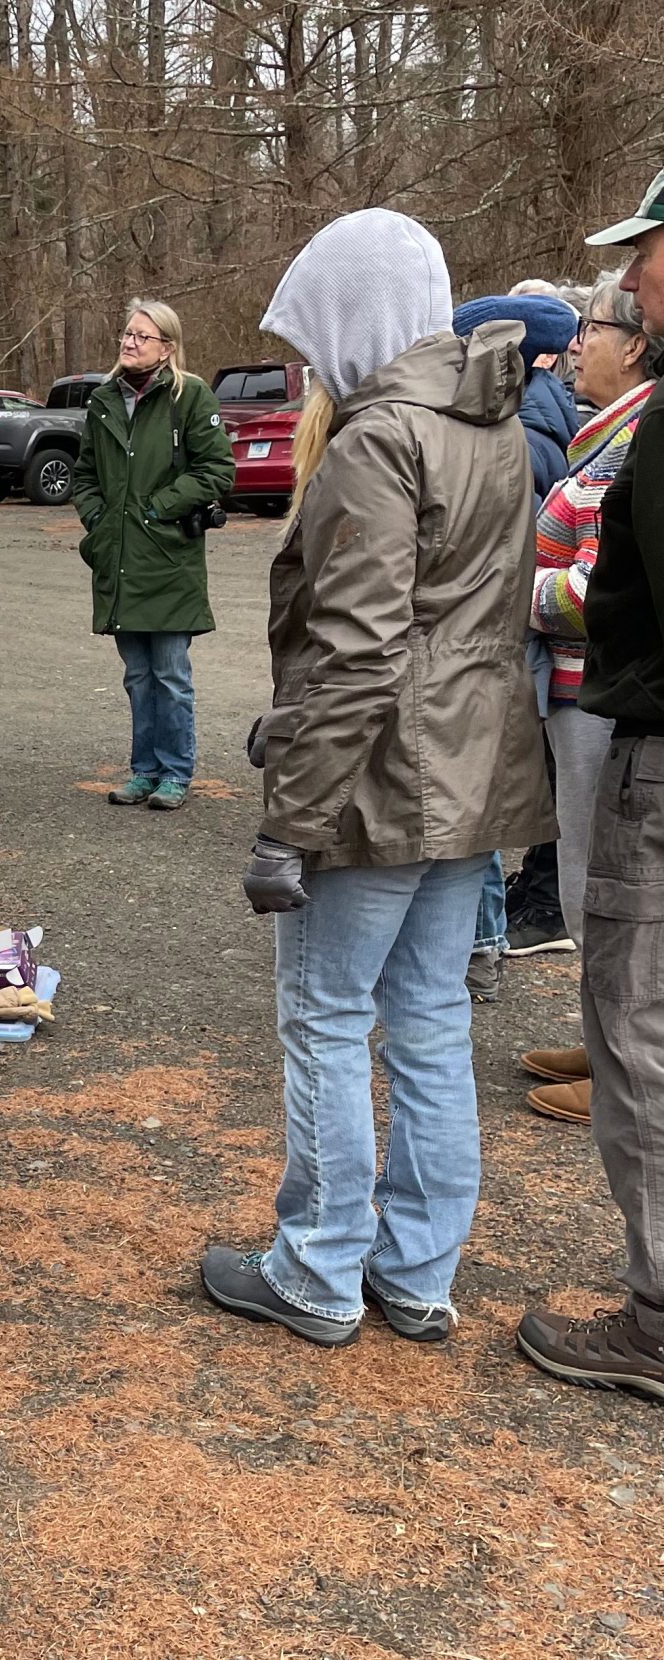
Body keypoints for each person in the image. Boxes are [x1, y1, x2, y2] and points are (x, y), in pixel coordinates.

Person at [207, 208, 555, 1349]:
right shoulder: (486, 424)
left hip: (376, 788)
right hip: (466, 777)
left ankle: (314, 1269)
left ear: (351, 315)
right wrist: (289, 729)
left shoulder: (374, 440)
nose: (303, 362)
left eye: (309, 332)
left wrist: (288, 823)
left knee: (323, 1017)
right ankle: (413, 1271)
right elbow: (447, 625)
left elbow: (359, 650)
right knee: (426, 1024)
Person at [518, 168, 664, 1400]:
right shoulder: (611, 426)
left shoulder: (648, 425)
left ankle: (656, 1315)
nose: (624, 285)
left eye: (641, 260)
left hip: (630, 725)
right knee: (614, 978)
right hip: (612, 711)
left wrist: (539, 595)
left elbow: (604, 576)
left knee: (641, 1021)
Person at [518, 273, 661, 1126]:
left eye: (593, 330)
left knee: (606, 887)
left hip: (599, 696)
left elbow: (595, 587)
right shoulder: (599, 435)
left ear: (635, 343)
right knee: (586, 879)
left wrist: (518, 595)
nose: (578, 346)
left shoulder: (631, 439)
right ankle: (602, 1034)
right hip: (580, 694)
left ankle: (626, 1067)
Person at [450, 294, 585, 999]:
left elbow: (503, 557)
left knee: (470, 805)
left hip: (496, 649)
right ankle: (487, 938)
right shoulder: (538, 421)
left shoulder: (521, 438)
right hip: (504, 649)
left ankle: (480, 947)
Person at [70, 299, 236, 814]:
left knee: (170, 674)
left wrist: (156, 509)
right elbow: (84, 475)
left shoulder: (189, 396)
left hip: (167, 559)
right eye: (127, 333)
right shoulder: (103, 400)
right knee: (137, 676)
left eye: (143, 336)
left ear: (167, 347)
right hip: (118, 558)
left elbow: (216, 469)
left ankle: (175, 772)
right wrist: (99, 524)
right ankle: (144, 770)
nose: (129, 342)